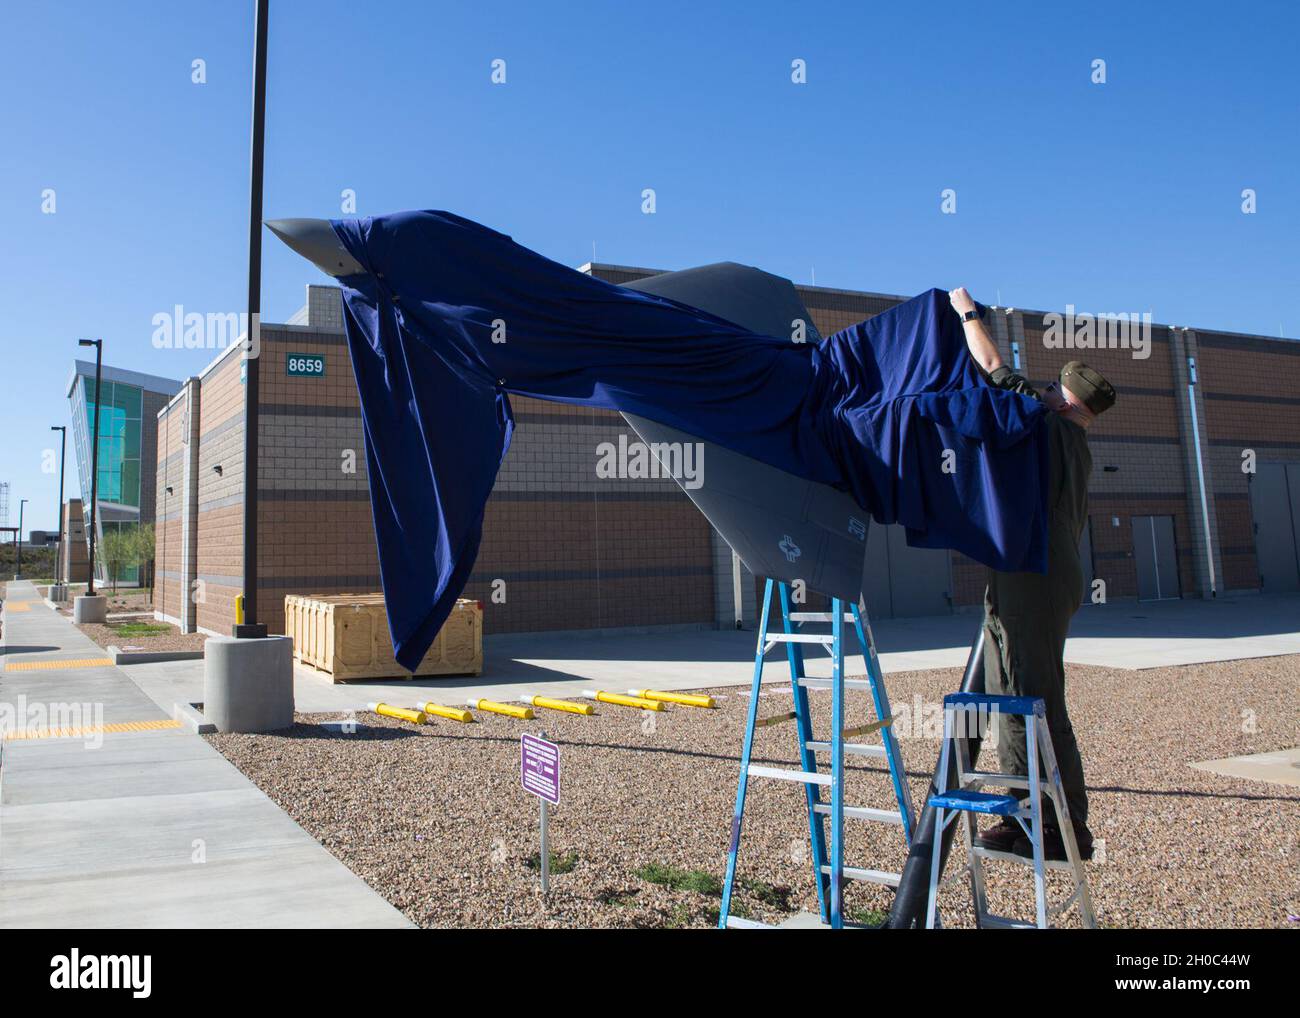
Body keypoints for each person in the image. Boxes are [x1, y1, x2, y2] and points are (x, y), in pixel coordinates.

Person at [948, 286, 1116, 861]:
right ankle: (1053, 818)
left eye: (1050, 390)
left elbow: (993, 366)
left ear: (1066, 403)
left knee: (1027, 698)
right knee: (1016, 694)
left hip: (1035, 577)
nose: (1040, 393)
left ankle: (1042, 825)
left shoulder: (1048, 426)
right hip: (1039, 574)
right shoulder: (1075, 444)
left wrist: (965, 310)